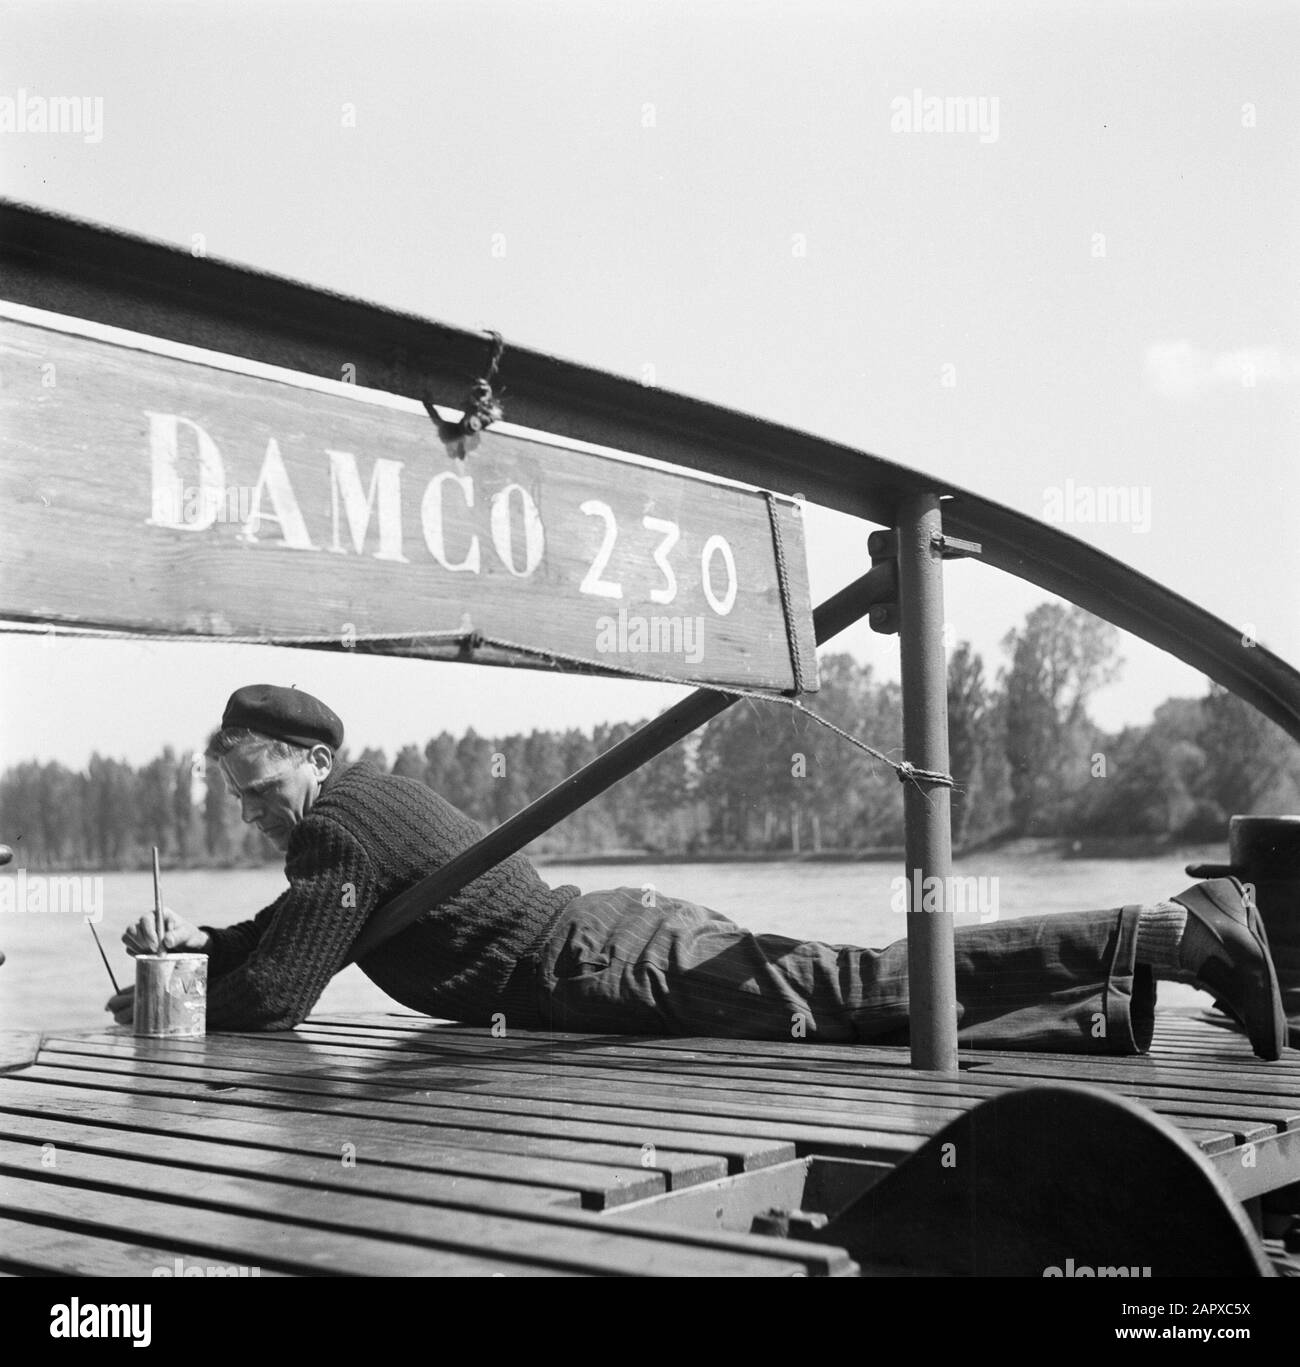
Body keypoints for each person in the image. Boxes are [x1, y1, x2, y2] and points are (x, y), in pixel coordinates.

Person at [109, 684, 1288, 1060]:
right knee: (853, 998)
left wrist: (162, 1001)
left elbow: (277, 994)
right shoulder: (358, 815)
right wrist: (199, 946)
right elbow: (285, 931)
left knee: (858, 989)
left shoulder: (339, 827)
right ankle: (1100, 1004)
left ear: (311, 762)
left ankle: (1177, 931)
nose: (252, 813)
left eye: (259, 788)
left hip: (604, 964)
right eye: (233, 796)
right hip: (607, 945)